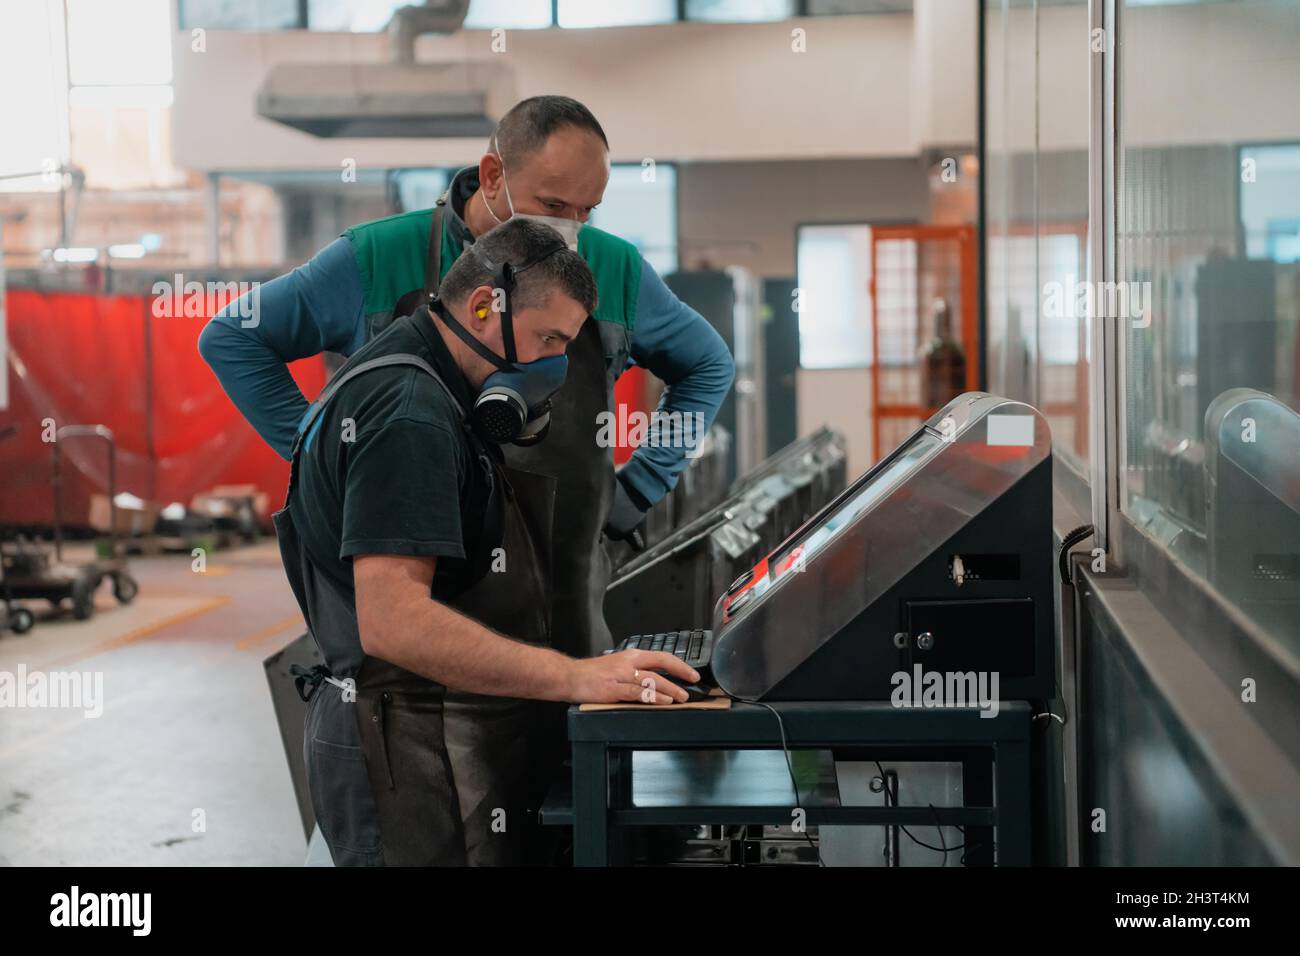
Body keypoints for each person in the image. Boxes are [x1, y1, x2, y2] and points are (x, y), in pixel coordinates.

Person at [199, 94, 735, 666]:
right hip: (412, 616)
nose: (570, 227)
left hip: (563, 602)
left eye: (587, 210)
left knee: (562, 735)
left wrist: (640, 488)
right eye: (553, 203)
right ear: (493, 175)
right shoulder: (378, 258)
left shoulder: (614, 267)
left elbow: (708, 364)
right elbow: (233, 337)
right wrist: (326, 459)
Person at [272, 218, 699, 866]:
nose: (556, 365)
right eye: (548, 338)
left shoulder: (429, 385)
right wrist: (575, 675)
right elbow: (394, 623)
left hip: (415, 734)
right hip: (396, 752)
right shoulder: (408, 413)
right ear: (483, 306)